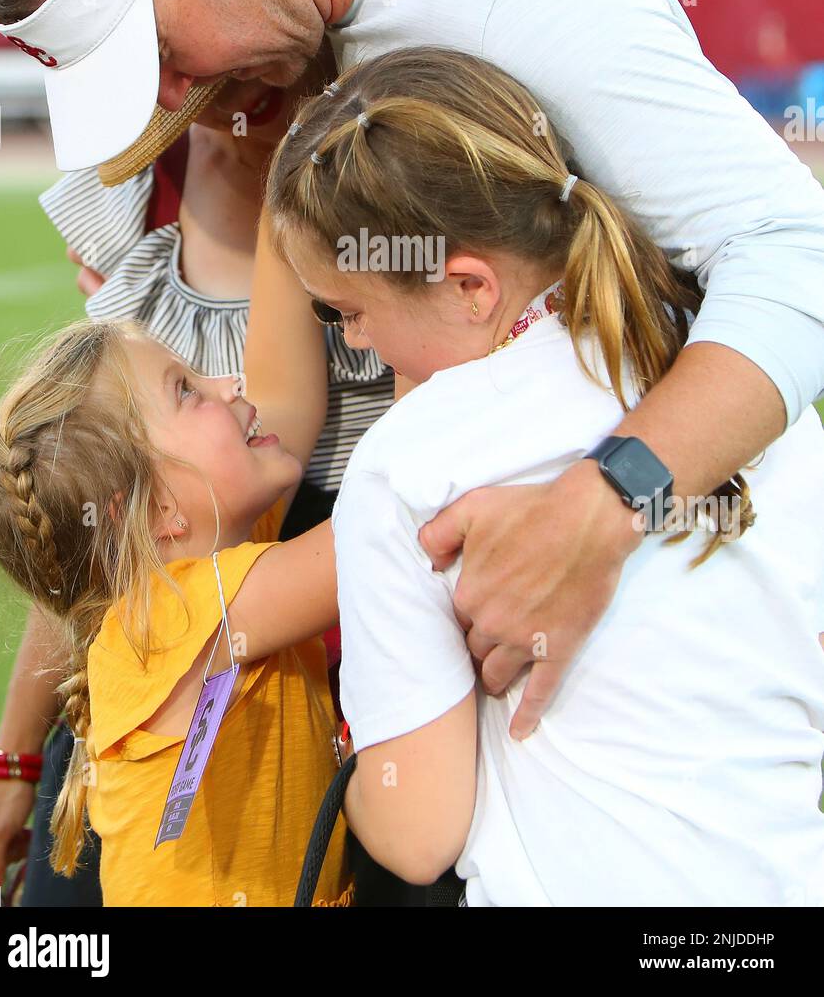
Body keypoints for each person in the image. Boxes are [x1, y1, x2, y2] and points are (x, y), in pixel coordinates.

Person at [0, 0, 824, 741]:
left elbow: (794, 255)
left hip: (649, 616)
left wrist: (600, 506)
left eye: (161, 50)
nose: (175, 96)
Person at [265, 45, 824, 906]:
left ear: (469, 288)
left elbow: (418, 834)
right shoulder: (741, 386)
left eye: (348, 311)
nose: (356, 343)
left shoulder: (404, 463)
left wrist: (355, 759)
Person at [0, 319, 353, 907]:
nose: (229, 382)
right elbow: (378, 538)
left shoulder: (222, 548)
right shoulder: (168, 618)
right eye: (187, 390)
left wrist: (285, 226)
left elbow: (290, 397)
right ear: (155, 509)